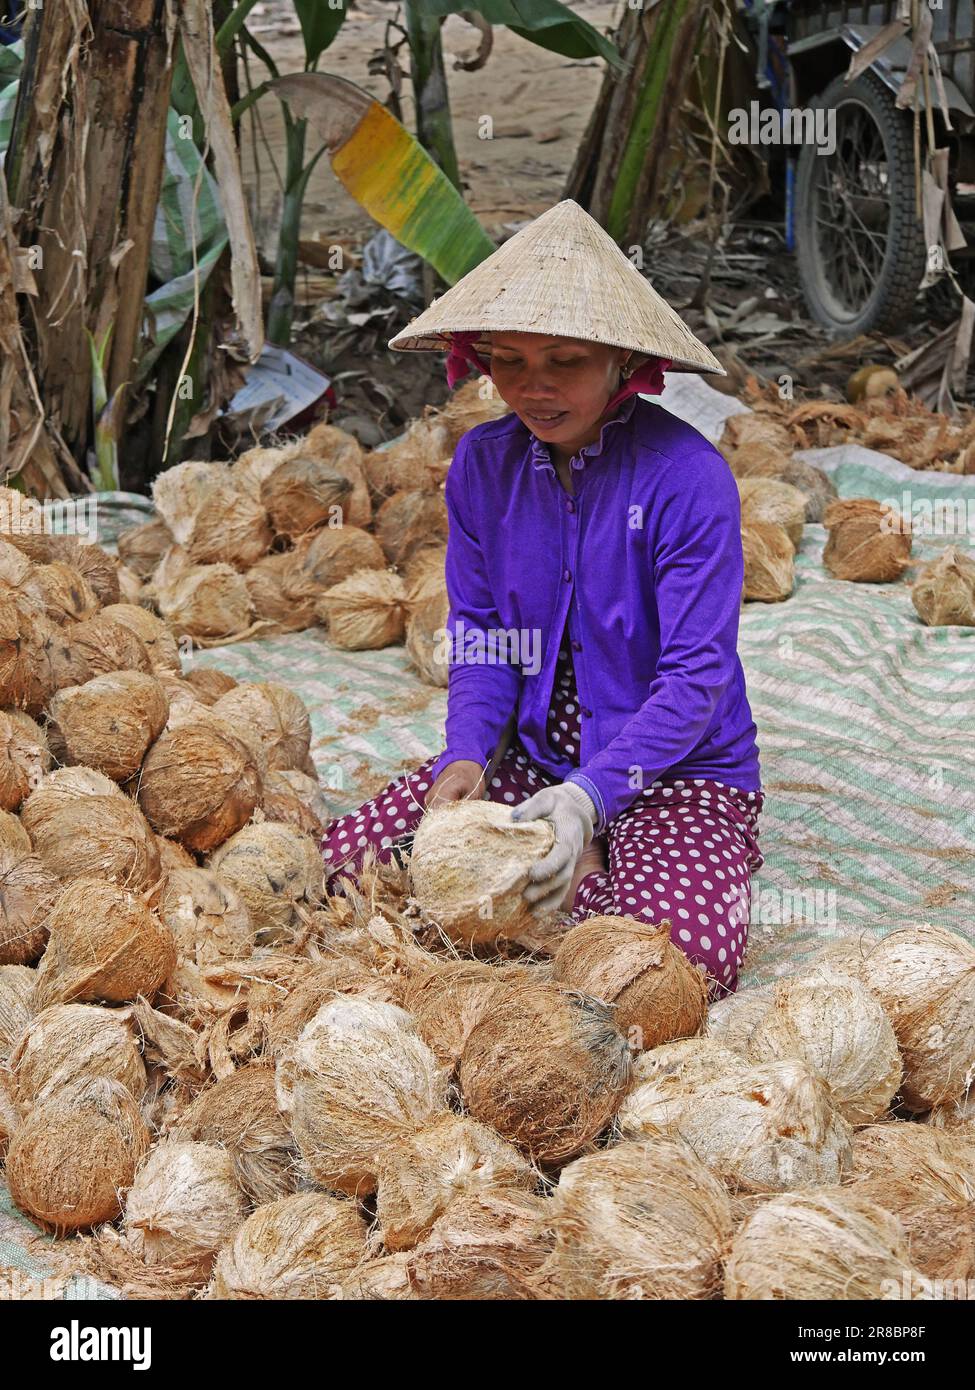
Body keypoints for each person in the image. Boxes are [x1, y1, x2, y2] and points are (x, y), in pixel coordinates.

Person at [319, 199, 763, 997]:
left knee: (671, 966)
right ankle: (562, 887)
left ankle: (579, 890)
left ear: (624, 362)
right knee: (344, 872)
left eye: (565, 361)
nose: (534, 387)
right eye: (508, 361)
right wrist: (464, 755)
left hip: (674, 769)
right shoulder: (483, 467)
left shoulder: (686, 479)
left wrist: (591, 802)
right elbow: (484, 636)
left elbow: (695, 678)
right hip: (531, 757)